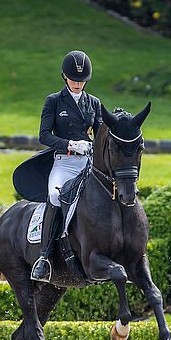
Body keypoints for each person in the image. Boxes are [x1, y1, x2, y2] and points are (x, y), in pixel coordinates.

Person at [30, 50, 103, 282]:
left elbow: (101, 133)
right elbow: (44, 135)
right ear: (64, 76)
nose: (78, 83)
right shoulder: (54, 101)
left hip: (88, 165)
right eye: (74, 79)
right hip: (64, 163)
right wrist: (70, 144)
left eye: (82, 80)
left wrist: (95, 144)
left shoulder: (94, 103)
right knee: (54, 196)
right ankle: (44, 258)